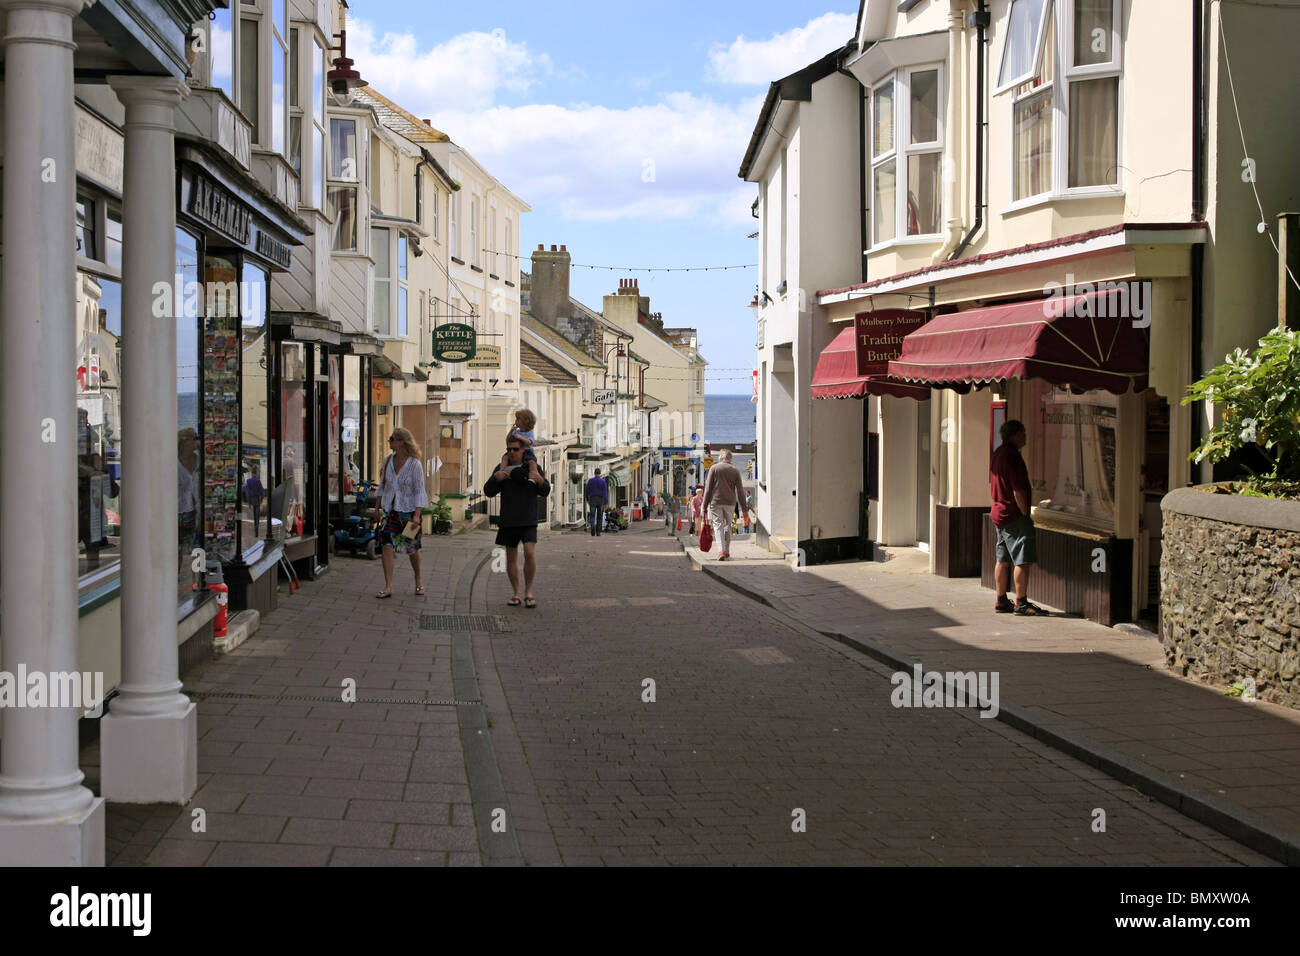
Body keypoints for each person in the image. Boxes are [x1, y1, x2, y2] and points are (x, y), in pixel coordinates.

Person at [486, 436, 551, 607]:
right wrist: (496, 478)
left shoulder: (532, 467)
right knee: (511, 557)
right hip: (508, 520)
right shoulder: (502, 468)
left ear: (524, 450)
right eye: (509, 449)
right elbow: (488, 491)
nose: (511, 452)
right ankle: (516, 593)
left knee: (529, 553)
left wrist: (539, 479)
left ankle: (529, 591)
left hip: (528, 518)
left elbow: (545, 491)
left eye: (515, 449)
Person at [990, 419, 1043, 615]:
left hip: (999, 512)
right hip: (1014, 515)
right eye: (1023, 433)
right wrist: (1024, 512)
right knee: (1021, 558)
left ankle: (1001, 599)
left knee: (1002, 558)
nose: (1025, 437)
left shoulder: (998, 453)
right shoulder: (1012, 456)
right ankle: (1021, 602)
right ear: (1014, 435)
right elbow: (1018, 489)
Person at [374, 426, 428, 598]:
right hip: (391, 512)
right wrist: (377, 507)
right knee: (387, 546)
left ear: (401, 442)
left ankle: (418, 581)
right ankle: (388, 586)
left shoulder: (415, 465)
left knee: (411, 549)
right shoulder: (388, 460)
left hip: (409, 513)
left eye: (392, 438)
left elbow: (420, 491)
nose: (389, 441)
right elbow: (382, 485)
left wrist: (417, 516)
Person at [702, 449, 749, 561]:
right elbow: (740, 491)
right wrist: (744, 510)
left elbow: (708, 489)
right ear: (730, 458)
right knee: (728, 526)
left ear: (720, 458)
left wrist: (704, 506)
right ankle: (726, 551)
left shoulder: (714, 468)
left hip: (716, 502)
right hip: (730, 503)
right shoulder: (735, 471)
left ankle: (721, 550)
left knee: (718, 526)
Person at [585, 468, 608, 536]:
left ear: (594, 473)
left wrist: (587, 499)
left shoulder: (590, 481)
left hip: (593, 499)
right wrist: (606, 502)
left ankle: (592, 526)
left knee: (592, 515)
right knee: (599, 516)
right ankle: (598, 532)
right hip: (600, 499)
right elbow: (605, 492)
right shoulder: (603, 481)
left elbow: (587, 491)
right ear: (600, 473)